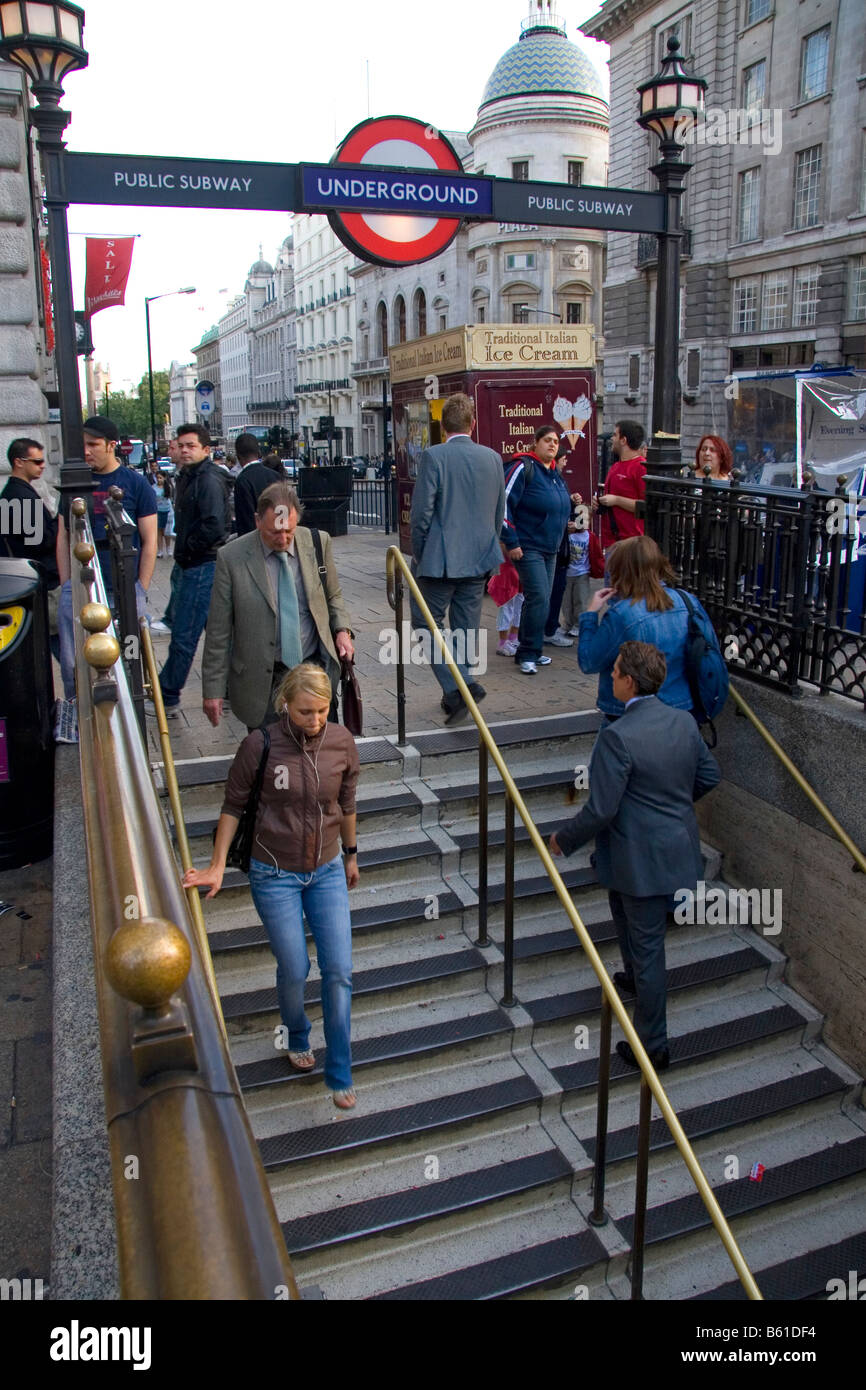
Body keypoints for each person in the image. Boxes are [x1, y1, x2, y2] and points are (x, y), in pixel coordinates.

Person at [183, 663, 360, 1109]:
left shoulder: (341, 742)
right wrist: (217, 866)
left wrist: (352, 854)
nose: (316, 721)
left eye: (322, 711)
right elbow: (233, 806)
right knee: (295, 968)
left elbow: (347, 802)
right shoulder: (259, 746)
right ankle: (297, 1033)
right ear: (285, 705)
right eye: (305, 712)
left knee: (338, 971)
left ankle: (340, 1072)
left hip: (327, 869)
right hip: (273, 872)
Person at [550, 640, 721, 1070]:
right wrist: (675, 806)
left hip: (639, 862)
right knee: (623, 911)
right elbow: (709, 775)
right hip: (672, 852)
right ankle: (629, 973)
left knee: (649, 951)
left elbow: (601, 807)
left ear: (629, 681)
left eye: (615, 672)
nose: (610, 677)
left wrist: (563, 840)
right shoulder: (683, 722)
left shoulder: (617, 736)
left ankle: (653, 1046)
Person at [201, 481, 354, 731]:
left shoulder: (317, 543)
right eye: (274, 532)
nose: (283, 539)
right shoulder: (231, 558)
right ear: (257, 520)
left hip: (313, 669)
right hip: (263, 680)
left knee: (322, 755)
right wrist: (213, 690)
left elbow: (333, 595)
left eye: (289, 532)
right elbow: (218, 631)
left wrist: (342, 631)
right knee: (271, 757)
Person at [56, 416, 157, 741]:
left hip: (123, 585)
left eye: (93, 445)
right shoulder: (73, 482)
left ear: (112, 445)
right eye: (82, 445)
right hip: (81, 584)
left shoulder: (134, 483)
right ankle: (81, 716)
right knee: (74, 658)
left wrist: (141, 587)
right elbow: (62, 536)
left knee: (128, 654)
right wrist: (65, 583)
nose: (86, 452)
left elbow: (150, 538)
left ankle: (126, 717)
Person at [409, 391, 505, 725]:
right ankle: (459, 691)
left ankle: (459, 687)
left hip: (439, 559)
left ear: (441, 425)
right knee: (465, 627)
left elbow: (421, 514)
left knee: (426, 623)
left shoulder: (434, 457)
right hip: (478, 557)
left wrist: (420, 556)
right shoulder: (493, 458)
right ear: (472, 424)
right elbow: (498, 513)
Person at [577, 534, 721, 721]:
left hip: (630, 714)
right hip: (682, 706)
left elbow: (589, 662)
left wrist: (590, 615)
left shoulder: (622, 614)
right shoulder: (687, 601)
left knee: (614, 750)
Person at [155, 423, 229, 717]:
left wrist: (189, 547)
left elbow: (215, 525)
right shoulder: (188, 476)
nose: (184, 450)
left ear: (206, 450)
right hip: (194, 562)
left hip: (201, 564)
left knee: (185, 633)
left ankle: (168, 694)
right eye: (181, 445)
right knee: (220, 634)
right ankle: (230, 689)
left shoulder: (207, 480)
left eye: (191, 446)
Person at [501, 424, 572, 674]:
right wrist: (512, 541)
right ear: (536, 443)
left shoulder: (554, 474)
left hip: (550, 548)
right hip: (528, 546)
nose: (553, 444)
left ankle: (532, 650)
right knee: (539, 596)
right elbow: (504, 505)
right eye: (547, 441)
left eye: (555, 441)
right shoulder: (523, 467)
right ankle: (528, 653)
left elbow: (558, 505)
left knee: (540, 599)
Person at [593, 419, 647, 554]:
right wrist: (599, 503)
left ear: (623, 440)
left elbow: (646, 506)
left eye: (615, 435)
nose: (612, 438)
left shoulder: (641, 467)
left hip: (630, 543)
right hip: (611, 541)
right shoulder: (616, 466)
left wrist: (616, 500)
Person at [558, 500, 604, 638]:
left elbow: (596, 555)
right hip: (567, 573)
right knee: (566, 602)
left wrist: (599, 568)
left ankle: (579, 625)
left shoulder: (590, 537)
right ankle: (567, 623)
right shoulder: (568, 534)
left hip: (582, 573)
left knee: (581, 600)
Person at [232, 433, 276, 536]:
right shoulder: (276, 476)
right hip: (278, 535)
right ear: (259, 453)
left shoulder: (242, 480)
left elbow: (245, 521)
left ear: (238, 456)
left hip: (257, 540)